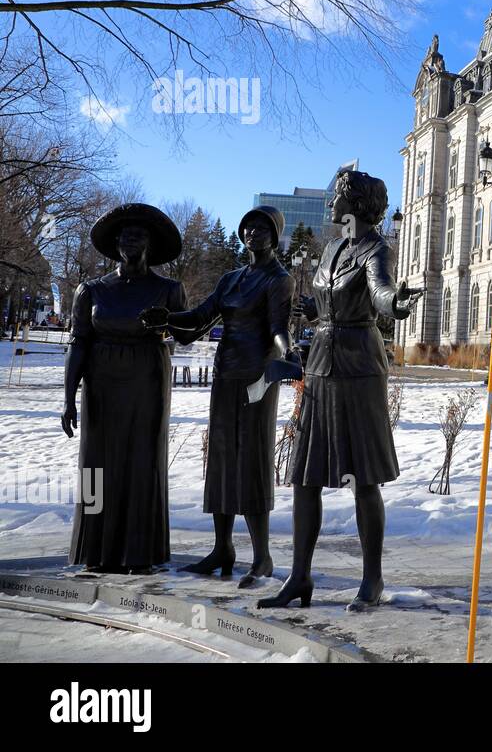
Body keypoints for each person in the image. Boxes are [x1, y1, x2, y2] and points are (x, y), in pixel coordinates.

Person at [258, 171, 421, 611]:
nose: (332, 202)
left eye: (339, 197)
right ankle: (300, 577)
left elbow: (381, 292)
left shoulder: (376, 249)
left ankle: (372, 579)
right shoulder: (330, 248)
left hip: (359, 368)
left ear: (357, 204)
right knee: (304, 476)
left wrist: (398, 302)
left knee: (363, 477)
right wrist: (315, 308)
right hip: (320, 367)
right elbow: (330, 297)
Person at [141, 205, 295, 587]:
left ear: (274, 236)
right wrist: (167, 318)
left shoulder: (279, 279)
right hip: (225, 376)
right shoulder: (230, 279)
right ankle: (222, 549)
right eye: (247, 228)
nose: (253, 233)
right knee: (223, 456)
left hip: (256, 378)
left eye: (262, 228)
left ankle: (262, 557)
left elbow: (278, 327)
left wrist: (287, 352)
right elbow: (200, 317)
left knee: (253, 459)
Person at [62, 204, 186, 573]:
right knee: (96, 464)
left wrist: (167, 326)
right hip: (100, 385)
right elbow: (78, 342)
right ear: (115, 244)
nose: (132, 240)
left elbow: (183, 335)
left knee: (141, 462)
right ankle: (94, 550)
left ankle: (138, 552)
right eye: (125, 235)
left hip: (147, 383)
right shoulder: (91, 290)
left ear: (151, 244)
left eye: (140, 235)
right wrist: (68, 398)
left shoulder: (168, 290)